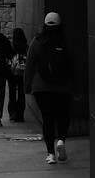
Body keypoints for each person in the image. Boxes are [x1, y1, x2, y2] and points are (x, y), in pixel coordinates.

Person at [24, 11, 72, 164]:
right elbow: (73, 65)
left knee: (48, 118)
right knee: (63, 115)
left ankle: (50, 154)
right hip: (62, 86)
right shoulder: (64, 41)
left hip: (41, 87)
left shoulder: (37, 42)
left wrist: (27, 86)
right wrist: (76, 87)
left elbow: (29, 65)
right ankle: (61, 141)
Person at [7, 27, 28, 122]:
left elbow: (8, 59)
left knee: (12, 93)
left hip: (12, 72)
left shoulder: (11, 46)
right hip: (22, 72)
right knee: (21, 93)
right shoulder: (25, 46)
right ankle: (20, 114)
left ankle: (12, 112)